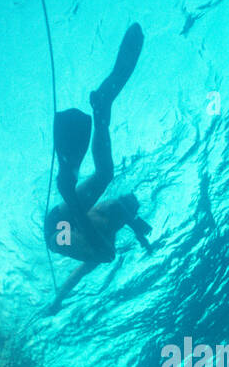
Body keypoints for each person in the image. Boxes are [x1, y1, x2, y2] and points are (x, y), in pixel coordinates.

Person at [44, 23, 152, 312]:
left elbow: (75, 277)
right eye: (125, 206)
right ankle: (103, 108)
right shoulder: (109, 214)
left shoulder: (108, 231)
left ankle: (67, 183)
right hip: (64, 215)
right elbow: (120, 207)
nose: (122, 206)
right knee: (106, 174)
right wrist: (137, 229)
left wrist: (57, 300)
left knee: (106, 255)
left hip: (57, 233)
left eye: (127, 209)